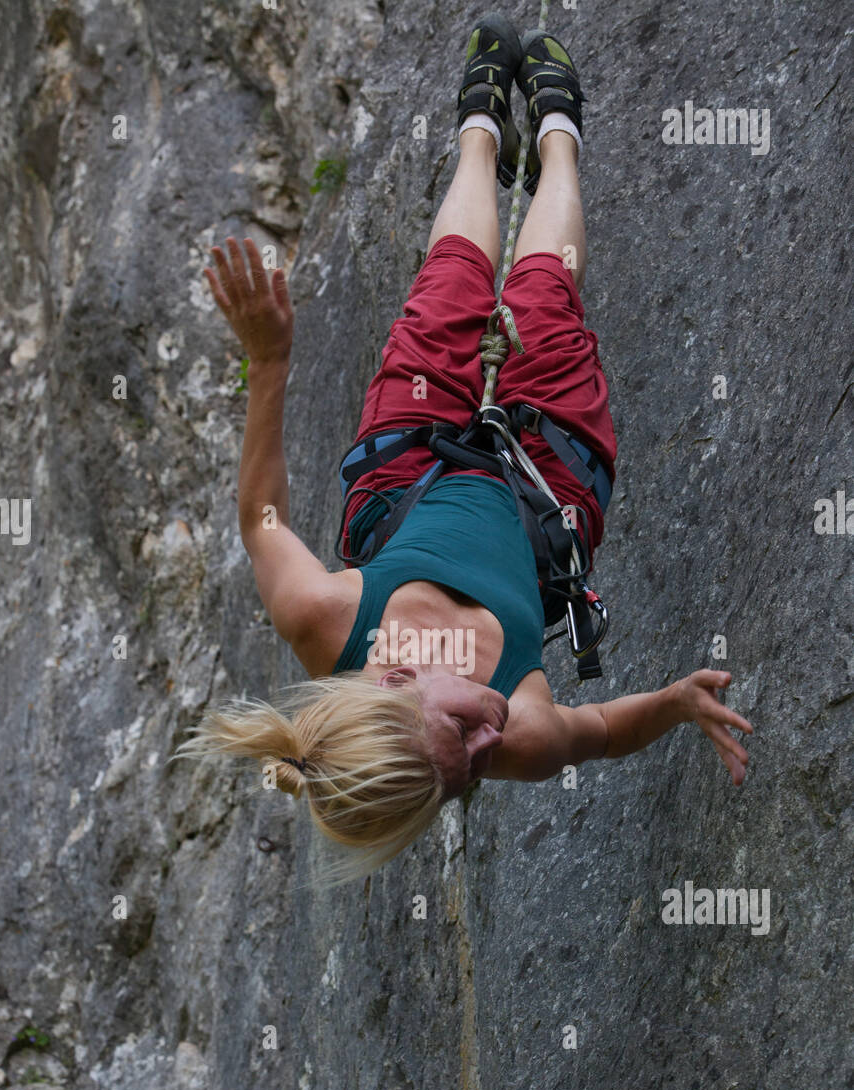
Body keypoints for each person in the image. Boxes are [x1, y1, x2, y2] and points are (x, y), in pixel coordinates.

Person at [179, 15, 752, 879]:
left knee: (452, 279)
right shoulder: (519, 730)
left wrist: (269, 363)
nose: (490, 739)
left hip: (409, 461)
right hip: (545, 488)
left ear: (391, 684)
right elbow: (594, 734)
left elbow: (262, 523)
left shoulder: (327, 622)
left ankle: (480, 132)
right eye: (472, 772)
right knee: (544, 292)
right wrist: (671, 705)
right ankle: (560, 134)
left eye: (463, 734)